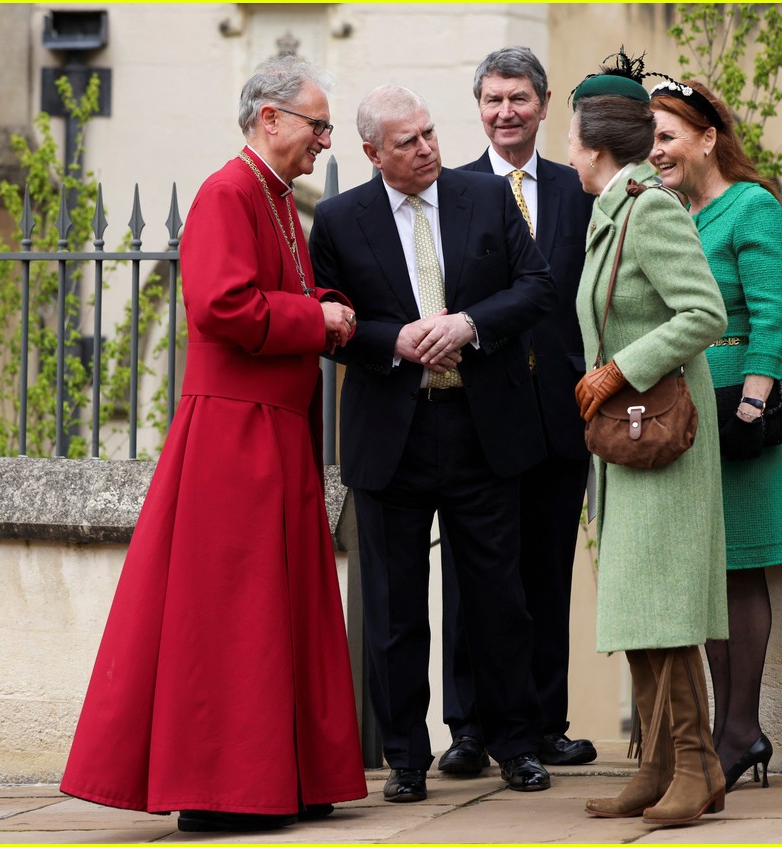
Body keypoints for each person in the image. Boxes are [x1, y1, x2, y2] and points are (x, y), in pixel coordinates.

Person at [59, 56, 368, 833]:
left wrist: (324, 306)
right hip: (234, 433)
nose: (325, 141)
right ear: (269, 118)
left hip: (272, 430)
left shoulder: (270, 196)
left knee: (279, 609)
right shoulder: (228, 191)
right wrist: (316, 322)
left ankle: (285, 776)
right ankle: (222, 787)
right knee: (232, 615)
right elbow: (223, 304)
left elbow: (276, 288)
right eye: (317, 125)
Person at [308, 85, 558, 804]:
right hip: (394, 434)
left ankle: (514, 744)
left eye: (429, 134)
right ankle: (405, 758)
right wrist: (395, 339)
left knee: (497, 598)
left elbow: (537, 287)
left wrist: (468, 324)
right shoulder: (338, 219)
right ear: (372, 153)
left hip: (483, 428)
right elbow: (330, 319)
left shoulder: (484, 195)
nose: (426, 148)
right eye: (408, 141)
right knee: (394, 609)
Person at [566, 53, 729, 827]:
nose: (565, 152)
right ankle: (659, 763)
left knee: (663, 604)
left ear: (594, 145)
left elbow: (704, 313)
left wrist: (616, 371)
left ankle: (697, 765)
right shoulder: (611, 210)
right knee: (637, 604)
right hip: (629, 442)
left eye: (570, 138)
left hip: (666, 435)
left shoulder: (651, 208)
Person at [435, 46, 597, 777]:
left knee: (545, 572)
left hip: (563, 410)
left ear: (544, 102)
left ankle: (542, 722)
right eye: (494, 99)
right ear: (478, 106)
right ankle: (469, 727)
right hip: (478, 415)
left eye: (519, 99)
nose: (506, 112)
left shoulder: (578, 189)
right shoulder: (449, 190)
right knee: (475, 577)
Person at [649, 76, 782, 794]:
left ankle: (740, 728)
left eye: (667, 136)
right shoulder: (683, 212)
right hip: (697, 407)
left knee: (741, 565)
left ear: (708, 137)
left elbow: (774, 311)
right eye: (651, 139)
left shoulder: (752, 205)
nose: (656, 151)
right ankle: (727, 730)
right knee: (712, 570)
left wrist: (752, 401)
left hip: (743, 403)